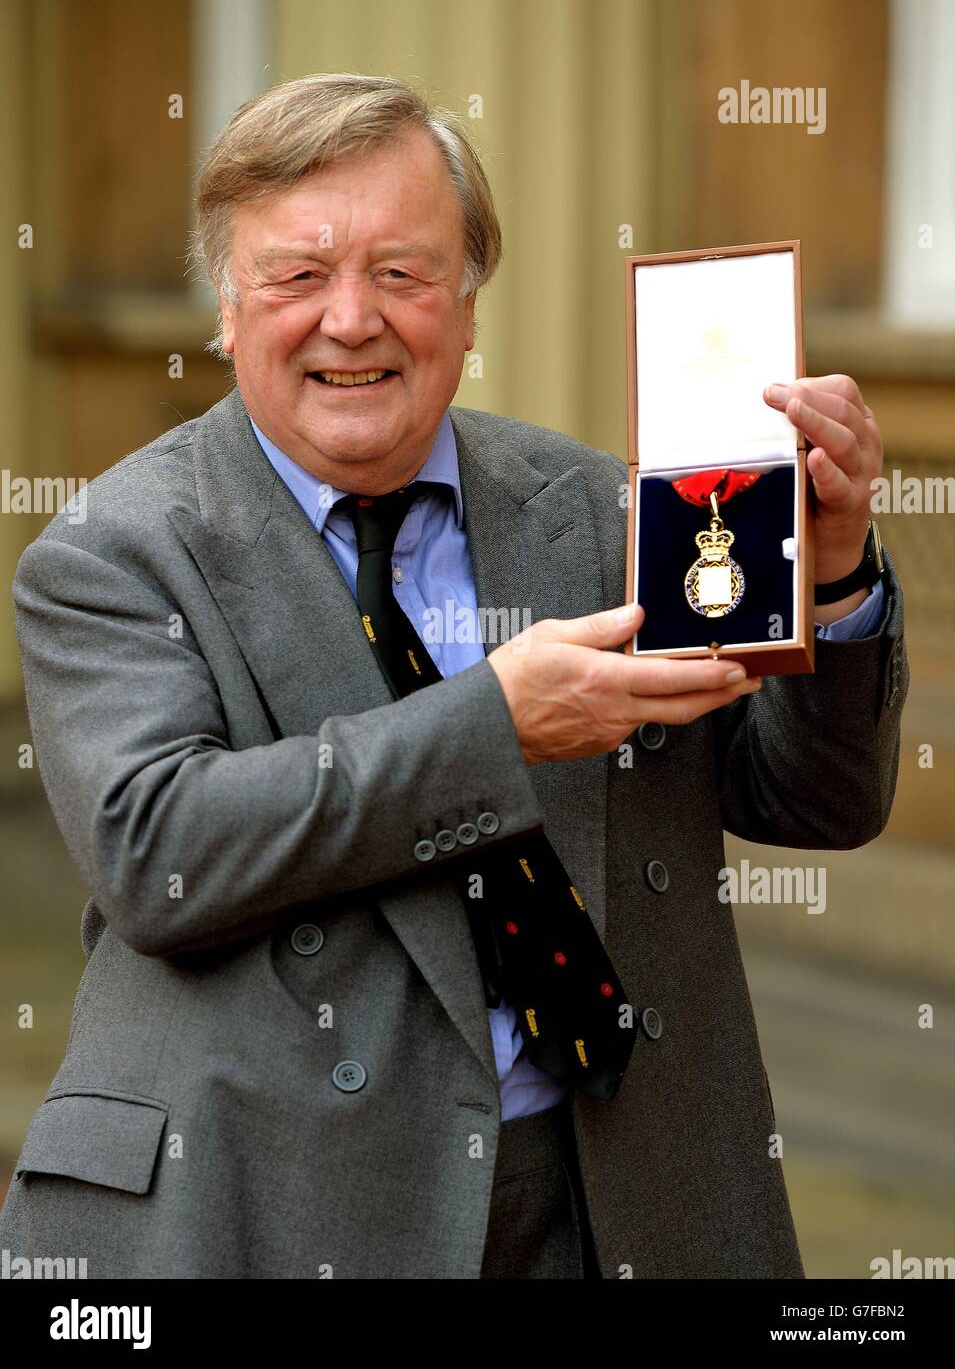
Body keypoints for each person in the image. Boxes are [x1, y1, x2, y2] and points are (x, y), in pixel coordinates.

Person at [0, 72, 907, 1279]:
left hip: (617, 1191)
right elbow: (161, 851)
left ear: (470, 304)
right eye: (297, 274)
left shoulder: (598, 506)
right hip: (279, 1202)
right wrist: (498, 724)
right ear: (225, 305)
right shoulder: (113, 550)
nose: (351, 318)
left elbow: (817, 801)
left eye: (401, 272)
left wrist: (832, 574)